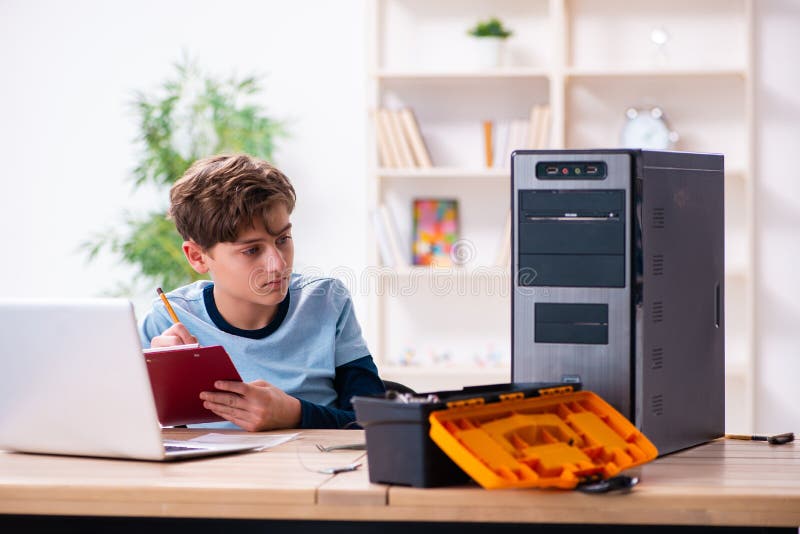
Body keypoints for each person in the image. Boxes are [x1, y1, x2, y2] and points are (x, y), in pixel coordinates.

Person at [139, 154, 385, 431]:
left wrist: (295, 413)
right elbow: (125, 429)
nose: (278, 264)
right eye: (252, 250)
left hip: (315, 471)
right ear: (197, 256)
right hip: (211, 475)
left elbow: (378, 424)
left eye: (283, 239)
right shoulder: (167, 321)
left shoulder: (326, 301)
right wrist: (156, 377)